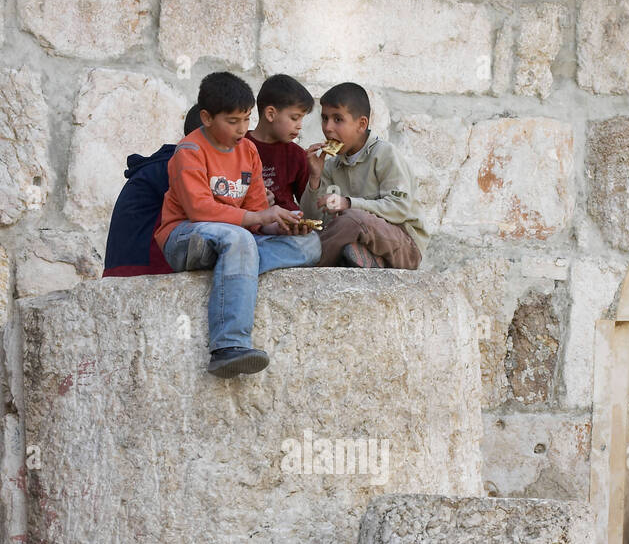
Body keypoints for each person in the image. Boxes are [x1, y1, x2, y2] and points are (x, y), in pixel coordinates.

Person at [155, 71, 321, 378]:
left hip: (233, 238)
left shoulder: (248, 150)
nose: (242, 129)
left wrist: (280, 225)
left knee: (309, 245)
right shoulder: (189, 151)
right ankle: (228, 347)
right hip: (186, 237)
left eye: (246, 119)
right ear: (206, 117)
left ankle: (233, 269)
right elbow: (199, 208)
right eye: (233, 121)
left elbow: (257, 210)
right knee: (238, 239)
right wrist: (259, 219)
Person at [301, 82, 428, 269]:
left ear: (361, 124)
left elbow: (399, 208)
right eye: (324, 118)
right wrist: (314, 179)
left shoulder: (385, 154)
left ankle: (308, 265)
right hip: (357, 239)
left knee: (352, 219)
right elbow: (315, 220)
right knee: (341, 227)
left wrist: (349, 203)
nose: (328, 127)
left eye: (338, 119)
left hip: (405, 247)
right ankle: (367, 260)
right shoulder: (330, 165)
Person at [101, 106, 215, 278]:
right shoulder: (172, 165)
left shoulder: (170, 163)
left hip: (130, 269)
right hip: (139, 272)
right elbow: (211, 210)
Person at [246, 73, 314, 216]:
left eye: (301, 119)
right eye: (294, 118)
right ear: (270, 114)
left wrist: (316, 176)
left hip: (288, 226)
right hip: (249, 223)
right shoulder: (238, 147)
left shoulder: (297, 155)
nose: (299, 126)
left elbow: (311, 210)